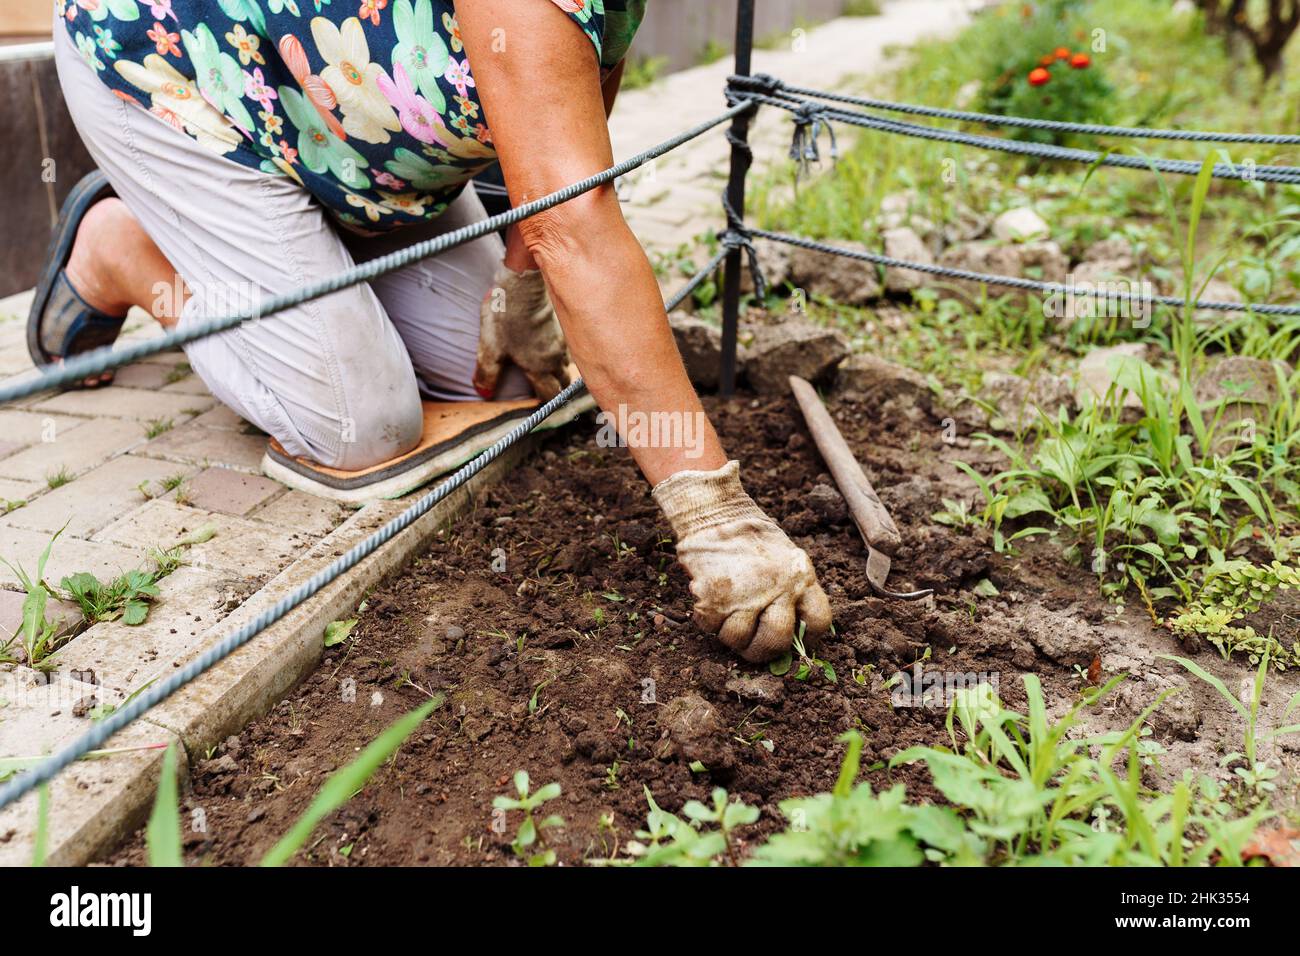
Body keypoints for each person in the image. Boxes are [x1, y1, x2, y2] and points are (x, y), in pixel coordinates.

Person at [33, 0, 831, 663]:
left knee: (511, 379)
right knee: (358, 426)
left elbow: (573, 113)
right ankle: (124, 249)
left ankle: (309, 255)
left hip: (350, 123)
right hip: (182, 74)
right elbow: (577, 227)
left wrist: (522, 279)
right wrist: (713, 511)